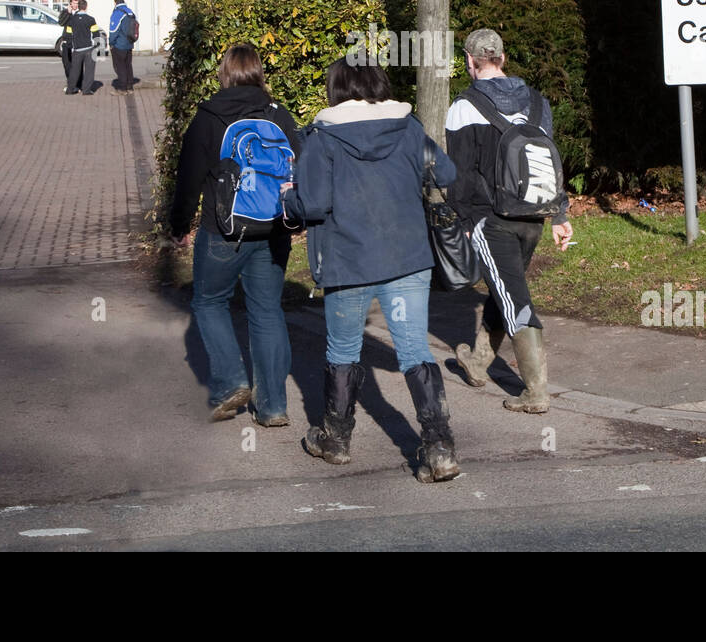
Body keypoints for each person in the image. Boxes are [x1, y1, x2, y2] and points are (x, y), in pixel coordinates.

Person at [282, 58, 461, 482]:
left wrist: (287, 199)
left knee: (343, 350)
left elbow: (312, 205)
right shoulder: (408, 126)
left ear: (337, 89)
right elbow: (446, 172)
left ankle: (336, 439)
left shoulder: (322, 137)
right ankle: (438, 447)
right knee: (415, 349)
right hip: (407, 256)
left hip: (348, 260)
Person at [169, 43, 299, 425]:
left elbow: (188, 179)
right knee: (266, 311)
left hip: (224, 230)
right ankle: (273, 406)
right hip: (274, 228)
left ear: (224, 73)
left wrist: (179, 226)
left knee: (209, 302)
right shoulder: (279, 114)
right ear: (259, 73)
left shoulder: (210, 116)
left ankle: (230, 383)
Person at [445, 29, 572, 414]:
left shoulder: (463, 106)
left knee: (514, 297)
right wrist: (559, 215)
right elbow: (549, 162)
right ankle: (480, 359)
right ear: (502, 57)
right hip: (533, 213)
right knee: (508, 285)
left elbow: (460, 175)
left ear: (470, 60)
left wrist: (464, 222)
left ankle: (535, 393)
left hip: (491, 218)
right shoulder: (538, 103)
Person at [64, 0, 101, 95]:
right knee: (89, 71)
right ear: (86, 7)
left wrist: (70, 47)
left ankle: (70, 89)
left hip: (76, 49)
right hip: (89, 48)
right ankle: (86, 90)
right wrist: (97, 47)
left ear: (78, 7)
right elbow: (96, 34)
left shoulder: (71, 20)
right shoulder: (91, 19)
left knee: (74, 71)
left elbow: (68, 35)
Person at [108, 0, 137, 94]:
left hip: (119, 44)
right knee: (128, 65)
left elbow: (113, 31)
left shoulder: (117, 13)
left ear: (115, 2)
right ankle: (130, 87)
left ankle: (122, 88)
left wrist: (111, 43)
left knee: (120, 66)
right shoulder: (130, 12)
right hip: (129, 43)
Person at [56, 0, 80, 86]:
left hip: (76, 42)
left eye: (77, 3)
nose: (75, 5)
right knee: (67, 64)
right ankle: (70, 82)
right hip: (67, 42)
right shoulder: (65, 12)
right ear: (70, 3)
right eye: (74, 3)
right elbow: (61, 22)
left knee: (76, 65)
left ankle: (76, 84)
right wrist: (68, 13)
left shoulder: (79, 13)